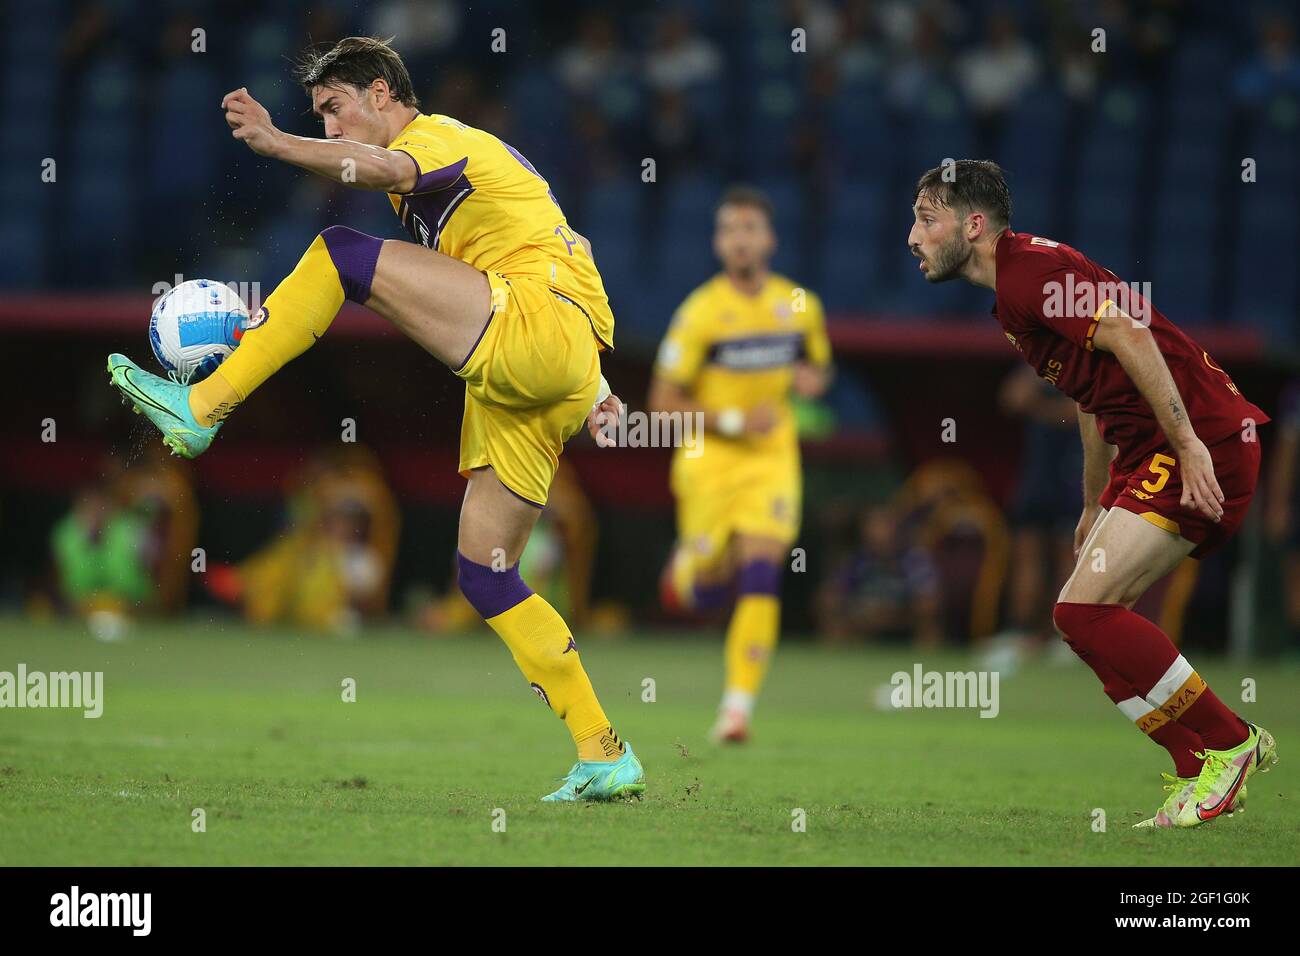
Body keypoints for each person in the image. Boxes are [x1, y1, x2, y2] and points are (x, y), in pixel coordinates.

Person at [106, 36, 642, 802]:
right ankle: (604, 750)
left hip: (535, 326)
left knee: (340, 253)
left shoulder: (437, 140)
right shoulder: (443, 192)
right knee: (486, 574)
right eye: (317, 117)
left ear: (383, 93)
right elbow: (552, 250)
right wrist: (593, 391)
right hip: (545, 362)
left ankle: (202, 405)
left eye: (334, 109)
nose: (328, 128)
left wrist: (274, 142)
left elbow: (385, 179)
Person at [907, 159, 1277, 828]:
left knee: (1084, 613)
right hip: (1155, 451)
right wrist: (1093, 499)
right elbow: (1089, 393)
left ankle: (1230, 743)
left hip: (1201, 439)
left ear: (975, 224)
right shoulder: (1015, 291)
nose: (913, 235)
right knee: (1078, 623)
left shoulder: (1031, 274)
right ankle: (1196, 768)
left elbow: (1130, 336)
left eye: (927, 219)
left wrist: (1190, 443)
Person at [649, 186, 832, 743]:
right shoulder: (700, 311)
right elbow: (662, 404)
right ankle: (689, 569)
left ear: (769, 239)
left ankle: (737, 708)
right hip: (709, 460)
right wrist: (731, 421)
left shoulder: (800, 304)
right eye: (730, 229)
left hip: (772, 460)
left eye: (751, 228)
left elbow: (818, 370)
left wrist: (811, 383)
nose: (741, 239)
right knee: (705, 590)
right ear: (718, 243)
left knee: (761, 571)